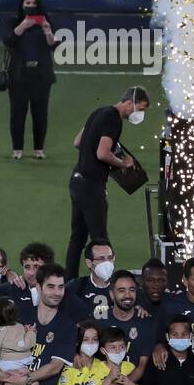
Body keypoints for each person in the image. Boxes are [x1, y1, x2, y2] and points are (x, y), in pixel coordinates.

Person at [65, 86, 149, 280]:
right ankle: (105, 285)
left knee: (77, 238)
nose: (141, 114)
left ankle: (70, 282)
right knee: (100, 241)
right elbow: (102, 153)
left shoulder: (98, 112)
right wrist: (124, 163)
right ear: (130, 103)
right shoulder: (114, 120)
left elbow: (78, 142)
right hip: (92, 187)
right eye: (141, 109)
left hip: (76, 181)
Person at [4, 0, 59, 160]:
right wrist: (23, 26)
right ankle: (17, 149)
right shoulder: (14, 22)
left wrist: (48, 32)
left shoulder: (45, 21)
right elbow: (8, 41)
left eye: (34, 3)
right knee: (17, 113)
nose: (31, 6)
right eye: (28, 3)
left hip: (41, 76)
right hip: (18, 76)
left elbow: (53, 46)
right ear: (22, 5)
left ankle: (38, 149)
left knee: (40, 114)